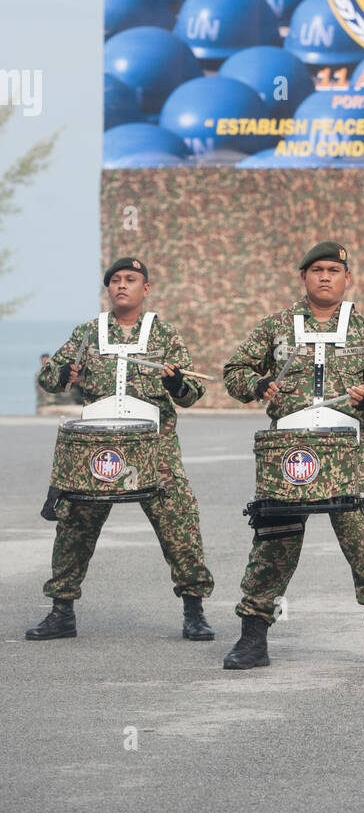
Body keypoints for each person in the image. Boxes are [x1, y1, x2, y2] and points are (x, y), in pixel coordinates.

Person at [221, 240, 364, 672]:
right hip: (290, 453)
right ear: (303, 277)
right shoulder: (276, 326)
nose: (325, 276)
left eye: (333, 270)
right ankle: (252, 637)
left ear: (348, 279)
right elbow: (235, 373)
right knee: (273, 546)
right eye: (316, 270)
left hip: (348, 454)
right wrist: (257, 385)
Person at [25, 258, 215, 642]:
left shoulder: (165, 335)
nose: (121, 285)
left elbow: (194, 392)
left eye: (130, 280)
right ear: (107, 289)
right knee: (75, 523)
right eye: (115, 280)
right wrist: (64, 375)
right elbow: (49, 378)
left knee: (180, 522)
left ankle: (194, 610)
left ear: (146, 288)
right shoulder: (88, 333)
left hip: (152, 449)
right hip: (99, 448)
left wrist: (177, 384)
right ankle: (61, 610)